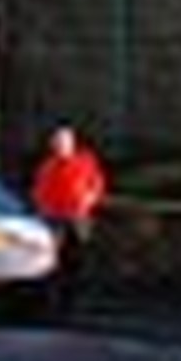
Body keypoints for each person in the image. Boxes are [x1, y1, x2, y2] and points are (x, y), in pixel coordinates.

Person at [30, 123, 109, 308]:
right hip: (55, 218)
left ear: (72, 143)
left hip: (78, 217)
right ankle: (55, 299)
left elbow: (97, 185)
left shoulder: (85, 162)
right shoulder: (47, 167)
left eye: (63, 142)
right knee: (53, 260)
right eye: (56, 143)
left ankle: (77, 297)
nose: (59, 146)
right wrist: (43, 208)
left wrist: (89, 199)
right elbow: (39, 191)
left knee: (79, 258)